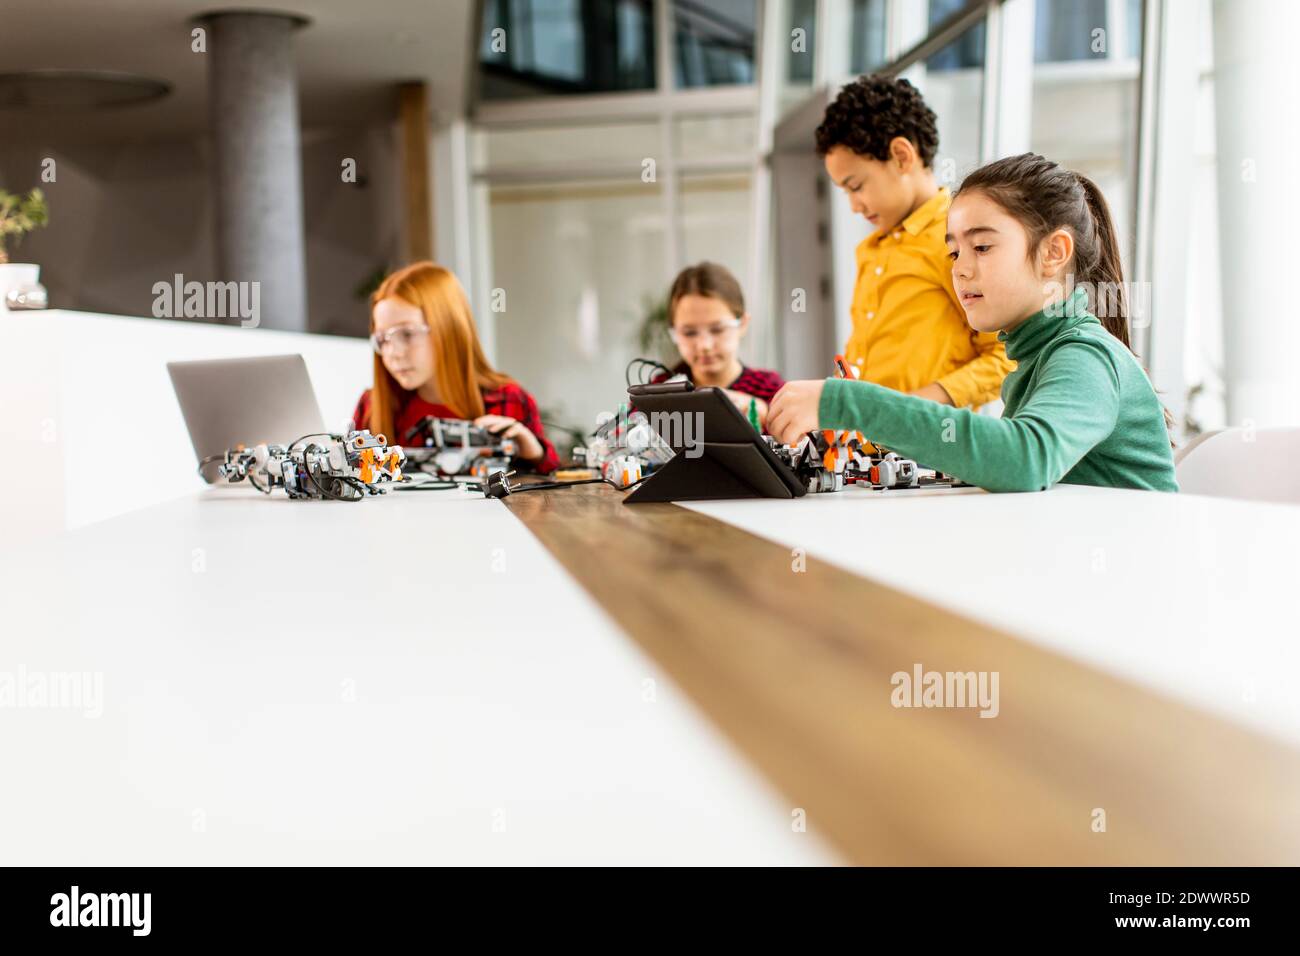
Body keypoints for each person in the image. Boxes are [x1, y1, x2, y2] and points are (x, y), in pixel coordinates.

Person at [767, 153, 1178, 493]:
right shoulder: (1039, 353)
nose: (960, 270)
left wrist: (848, 402)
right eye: (954, 253)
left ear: (1054, 252)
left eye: (981, 246)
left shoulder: (1085, 355)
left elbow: (1023, 460)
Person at [817, 74, 1013, 406]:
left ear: (901, 156)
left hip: (929, 449)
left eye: (856, 186)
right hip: (868, 446)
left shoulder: (955, 241)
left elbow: (1006, 356)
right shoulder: (872, 250)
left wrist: (913, 409)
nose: (853, 205)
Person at [352, 261, 560, 473]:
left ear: (449, 329)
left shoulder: (509, 400)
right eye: (383, 340)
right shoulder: (372, 406)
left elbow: (547, 486)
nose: (393, 353)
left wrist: (533, 453)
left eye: (407, 334)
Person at [651, 262, 784, 428]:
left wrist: (765, 416)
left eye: (717, 329)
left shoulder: (770, 391)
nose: (704, 345)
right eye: (690, 333)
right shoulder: (659, 392)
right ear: (674, 333)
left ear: (742, 324)